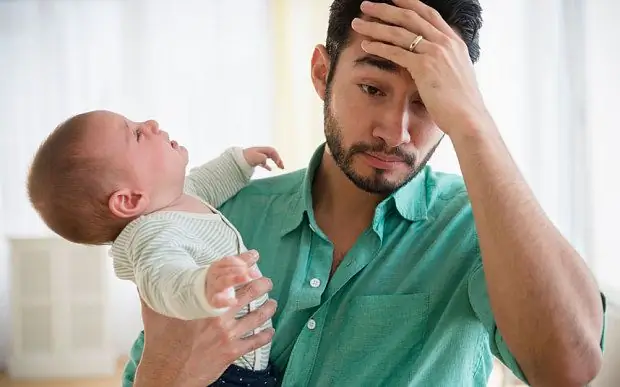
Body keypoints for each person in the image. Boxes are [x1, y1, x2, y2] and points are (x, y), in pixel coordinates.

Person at [123, 0, 607, 386]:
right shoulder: (219, 219)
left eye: (428, 101)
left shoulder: (481, 229)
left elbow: (570, 369)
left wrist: (474, 126)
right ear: (321, 73)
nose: (394, 132)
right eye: (373, 88)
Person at [26, 110, 285, 386]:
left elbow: (207, 182)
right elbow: (167, 281)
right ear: (130, 200)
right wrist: (204, 286)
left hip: (240, 361)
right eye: (136, 134)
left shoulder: (176, 200)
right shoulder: (151, 238)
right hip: (220, 375)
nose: (151, 124)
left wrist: (238, 163)